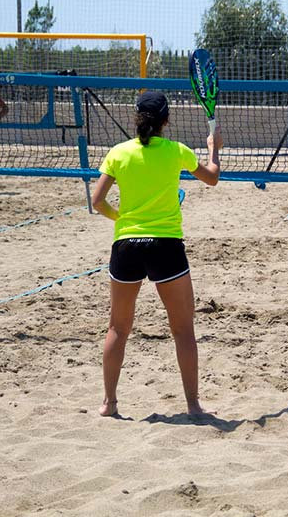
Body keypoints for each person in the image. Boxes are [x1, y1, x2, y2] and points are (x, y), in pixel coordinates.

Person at [92, 90, 223, 417]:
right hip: (165, 244)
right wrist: (214, 151)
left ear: (136, 118)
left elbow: (96, 202)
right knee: (182, 330)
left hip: (126, 245)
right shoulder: (177, 152)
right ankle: (193, 405)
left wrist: (120, 218)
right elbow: (212, 179)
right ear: (166, 119)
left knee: (117, 329)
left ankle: (109, 404)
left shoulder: (119, 153)